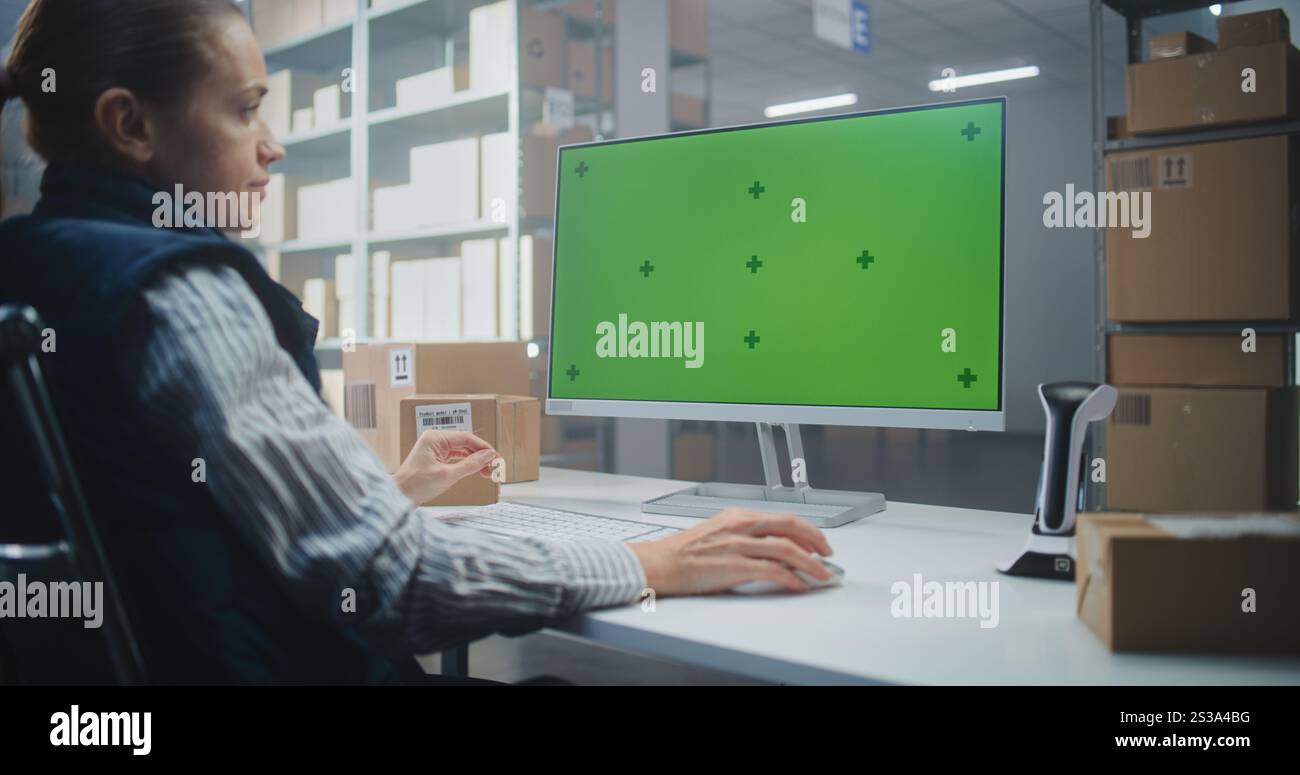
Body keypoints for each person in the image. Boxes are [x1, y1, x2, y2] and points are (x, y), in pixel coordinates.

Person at [0, 0, 832, 684]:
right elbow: (387, 582)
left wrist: (383, 493)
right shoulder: (183, 290)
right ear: (129, 125)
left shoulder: (37, 262)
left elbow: (154, 513)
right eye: (245, 108)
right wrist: (654, 562)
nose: (272, 144)